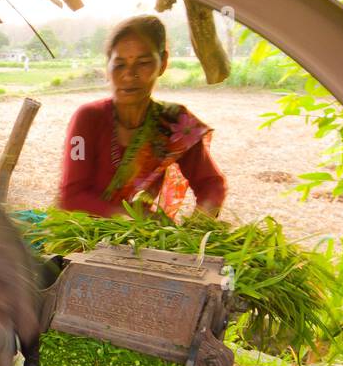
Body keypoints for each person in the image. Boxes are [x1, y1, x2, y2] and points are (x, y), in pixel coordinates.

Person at [57, 14, 227, 219]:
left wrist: (198, 229)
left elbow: (211, 184)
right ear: (107, 67)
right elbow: (72, 197)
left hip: (140, 242)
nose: (129, 74)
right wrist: (134, 221)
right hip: (83, 239)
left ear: (163, 63)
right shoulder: (87, 120)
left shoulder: (174, 122)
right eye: (119, 64)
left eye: (143, 62)